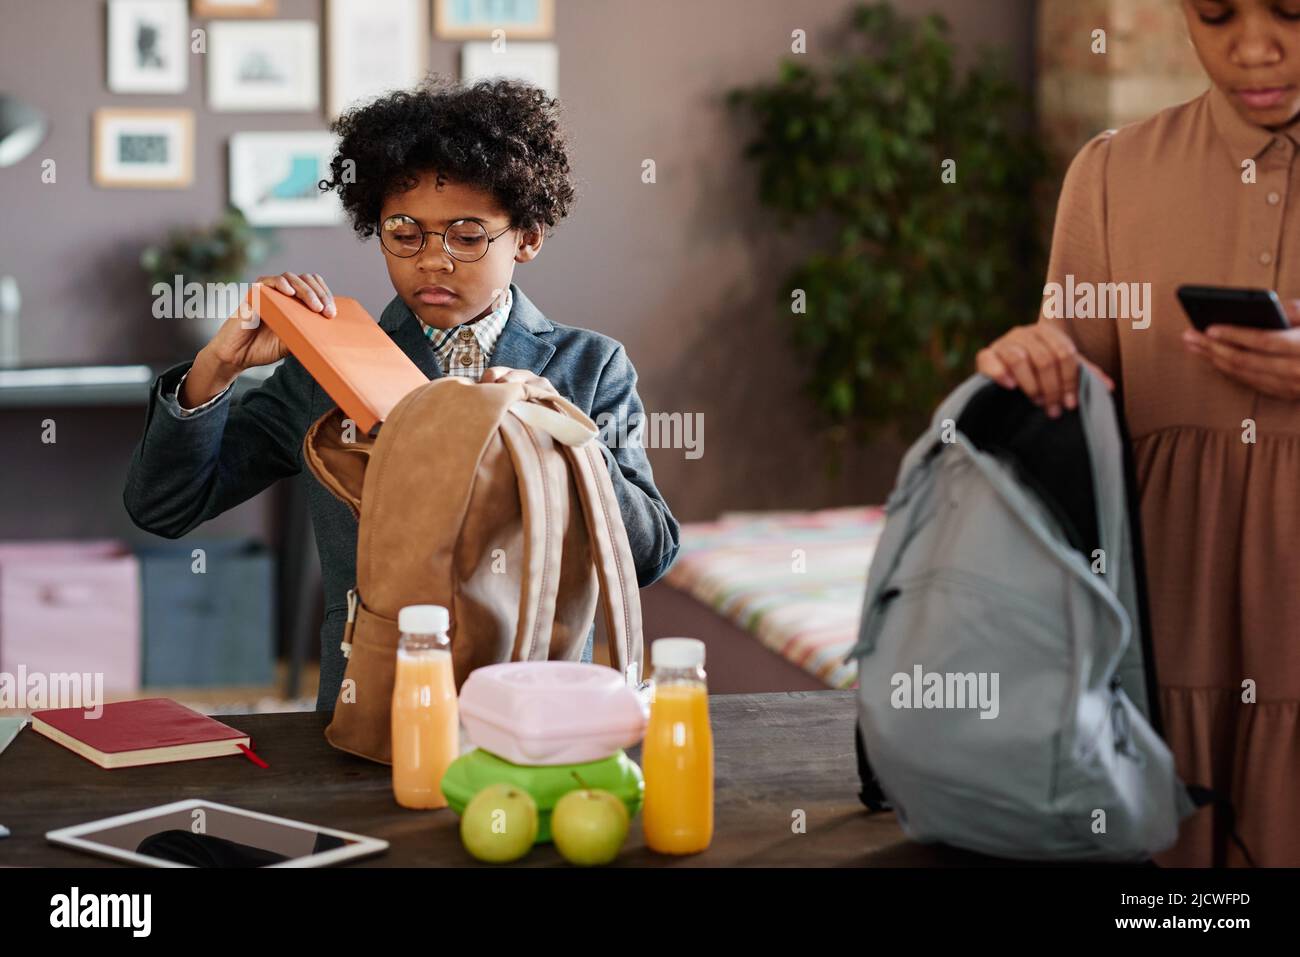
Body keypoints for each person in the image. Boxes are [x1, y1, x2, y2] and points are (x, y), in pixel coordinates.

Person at [123, 77, 681, 711]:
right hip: (373, 700)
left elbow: (646, 557)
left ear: (526, 238)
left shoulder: (589, 366)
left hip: (541, 702)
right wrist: (217, 367)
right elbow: (163, 508)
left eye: (468, 236)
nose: (433, 260)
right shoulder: (323, 367)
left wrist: (557, 430)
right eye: (405, 232)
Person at [976, 0, 1300, 866]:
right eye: (1216, 13)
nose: (1255, 47)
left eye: (1293, 12)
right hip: (1161, 631)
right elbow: (1074, 395)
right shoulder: (1113, 174)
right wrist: (1029, 360)